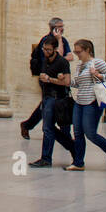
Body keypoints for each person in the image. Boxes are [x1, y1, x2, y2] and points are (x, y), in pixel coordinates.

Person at [65, 40, 106, 172]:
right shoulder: (80, 66)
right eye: (75, 52)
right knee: (78, 133)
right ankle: (78, 163)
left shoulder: (97, 62)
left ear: (87, 50)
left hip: (92, 102)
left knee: (91, 133)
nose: (77, 54)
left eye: (79, 52)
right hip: (79, 102)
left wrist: (97, 74)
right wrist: (68, 81)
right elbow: (78, 84)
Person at [20, 18, 71, 140]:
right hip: (47, 79)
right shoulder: (47, 41)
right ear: (54, 28)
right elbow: (58, 56)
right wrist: (58, 41)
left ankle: (64, 133)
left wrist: (61, 47)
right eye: (60, 26)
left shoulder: (63, 40)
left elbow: (69, 56)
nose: (63, 28)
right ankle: (31, 126)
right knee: (47, 105)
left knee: (60, 104)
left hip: (61, 78)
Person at [28, 37, 74, 167]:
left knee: (48, 128)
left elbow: (67, 82)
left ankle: (47, 158)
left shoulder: (62, 62)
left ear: (54, 49)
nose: (45, 51)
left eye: (48, 50)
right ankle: (71, 146)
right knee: (48, 128)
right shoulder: (45, 60)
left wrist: (50, 79)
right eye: (44, 49)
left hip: (56, 99)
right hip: (47, 98)